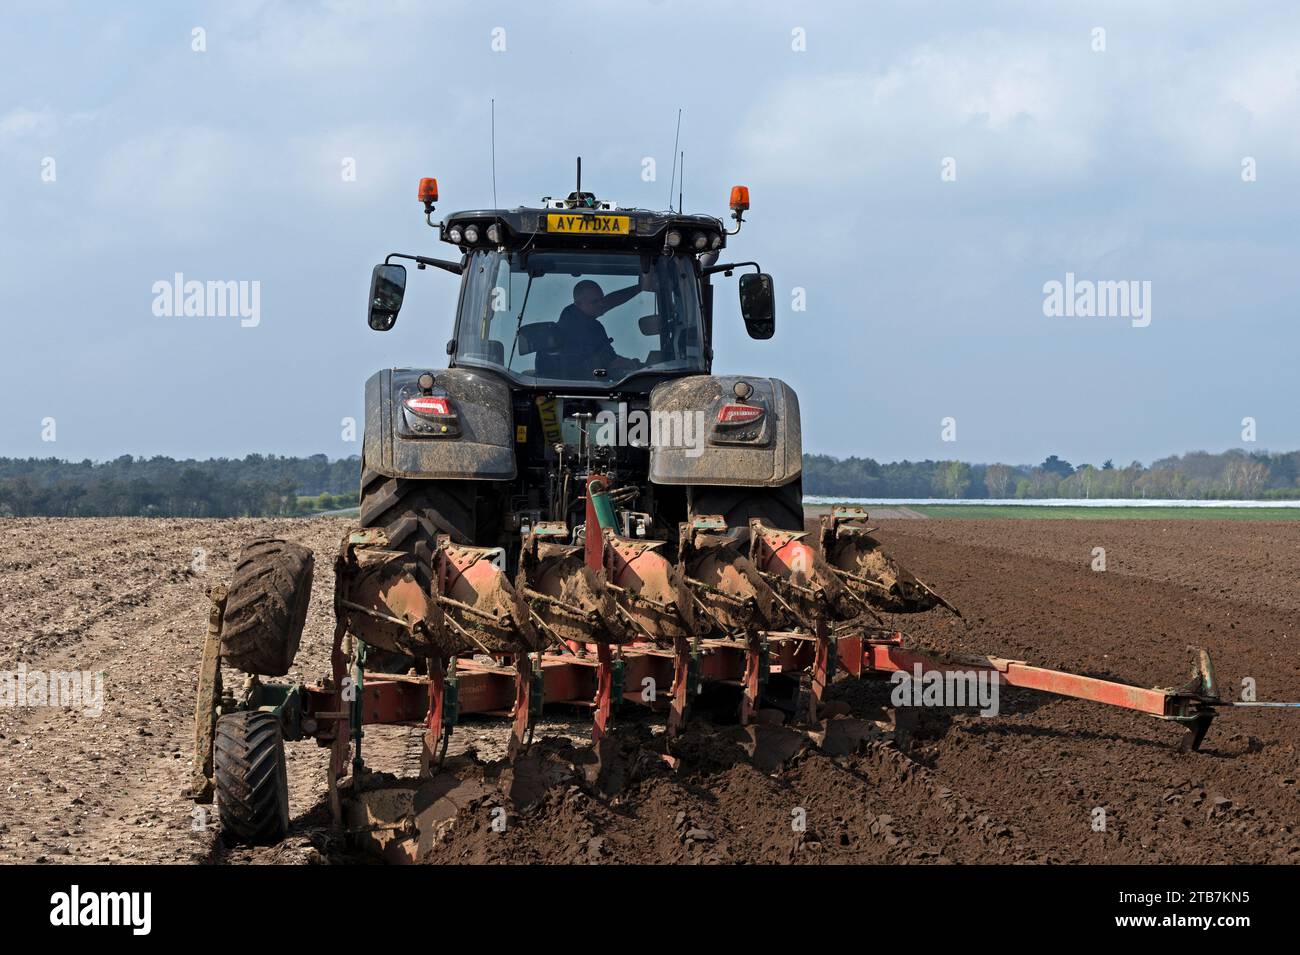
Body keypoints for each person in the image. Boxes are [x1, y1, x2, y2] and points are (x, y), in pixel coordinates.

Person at [556, 276, 648, 377]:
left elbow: (611, 301)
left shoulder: (580, 317)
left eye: (601, 299)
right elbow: (582, 366)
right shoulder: (575, 329)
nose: (601, 304)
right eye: (595, 301)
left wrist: (640, 287)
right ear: (578, 304)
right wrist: (619, 364)